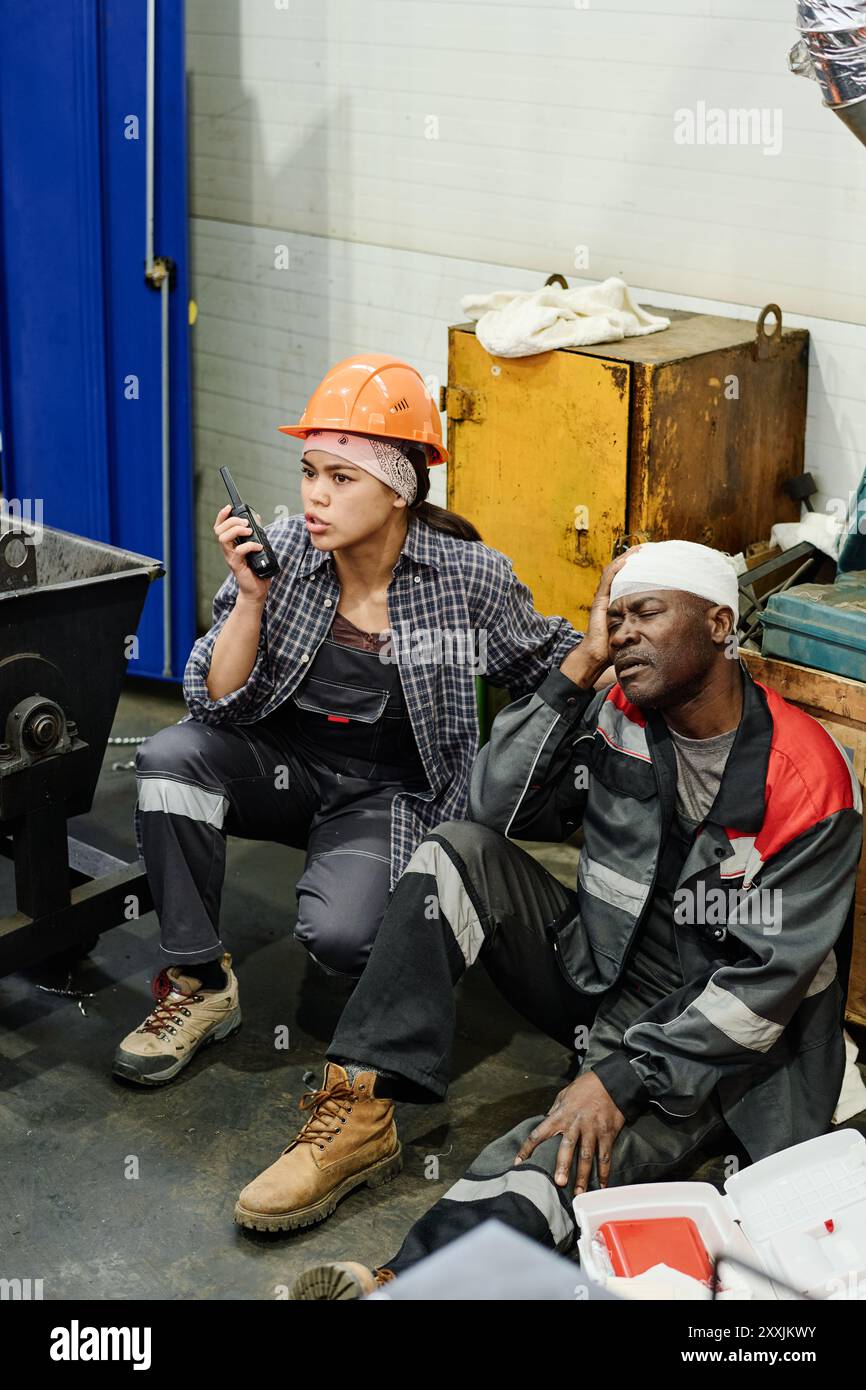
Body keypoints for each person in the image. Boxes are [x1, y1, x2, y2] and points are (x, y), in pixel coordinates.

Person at [238, 538, 863, 1296]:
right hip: (600, 968)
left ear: (720, 623)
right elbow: (492, 807)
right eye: (615, 616)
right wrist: (578, 669)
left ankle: (403, 1282)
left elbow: (765, 989)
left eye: (647, 614)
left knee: (560, 1153)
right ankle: (362, 1107)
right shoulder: (619, 712)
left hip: (714, 1043)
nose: (624, 631)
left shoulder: (807, 778)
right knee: (453, 854)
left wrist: (622, 1077)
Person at [112, 353, 583, 1088]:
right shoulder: (287, 554)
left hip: (386, 790)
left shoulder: (467, 578)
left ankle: (370, 904)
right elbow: (211, 697)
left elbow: (552, 659)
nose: (315, 498)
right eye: (309, 472)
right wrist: (251, 599)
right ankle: (201, 984)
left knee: (343, 939)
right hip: (284, 761)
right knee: (173, 761)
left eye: (341, 478)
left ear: (398, 490)